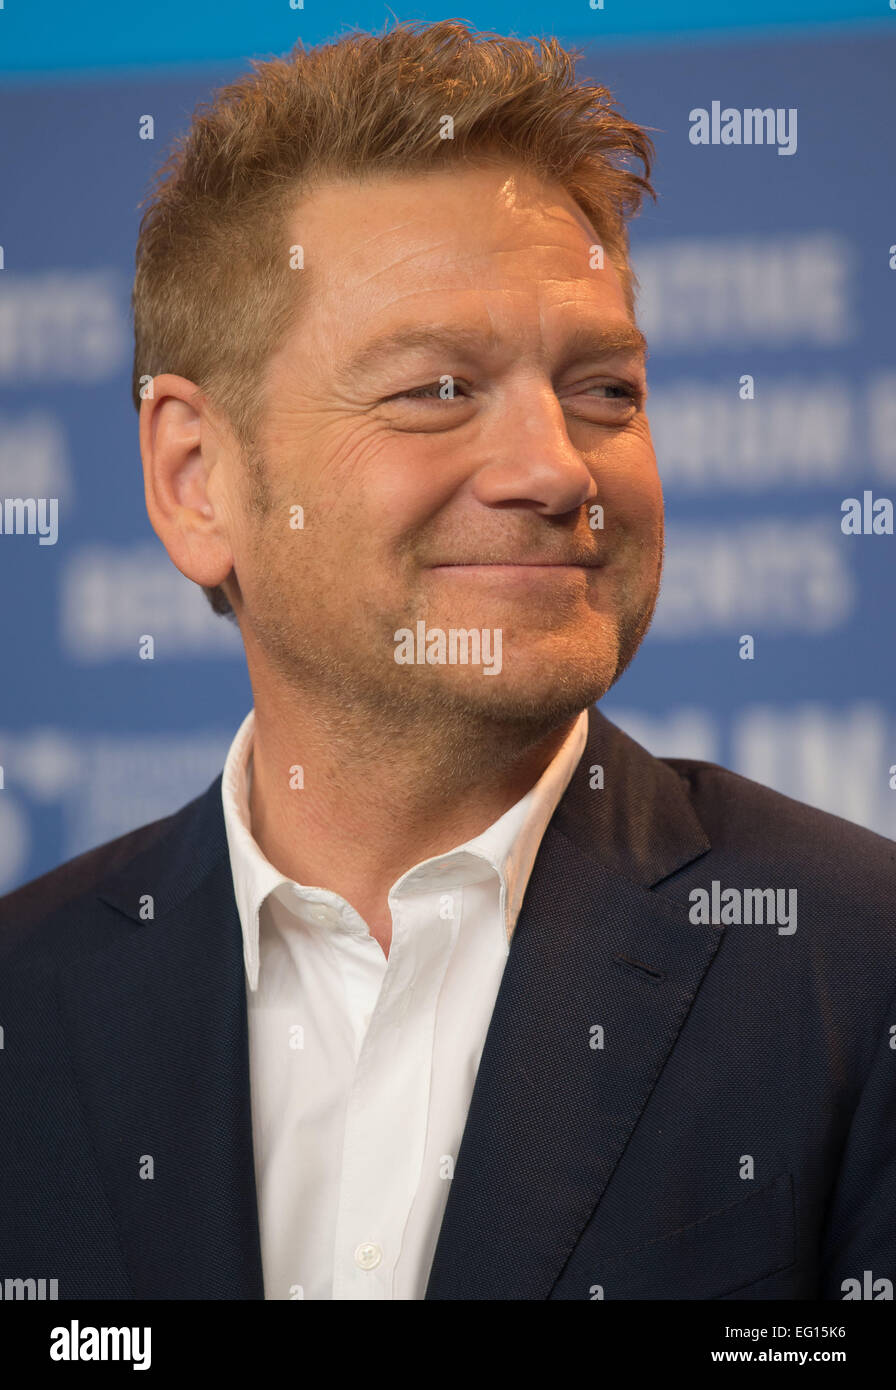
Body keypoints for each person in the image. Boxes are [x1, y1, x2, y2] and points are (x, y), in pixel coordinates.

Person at [1, 19, 894, 1302]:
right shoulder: (24, 1005)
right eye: (436, 388)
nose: (555, 470)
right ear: (196, 480)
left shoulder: (854, 970)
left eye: (603, 390)